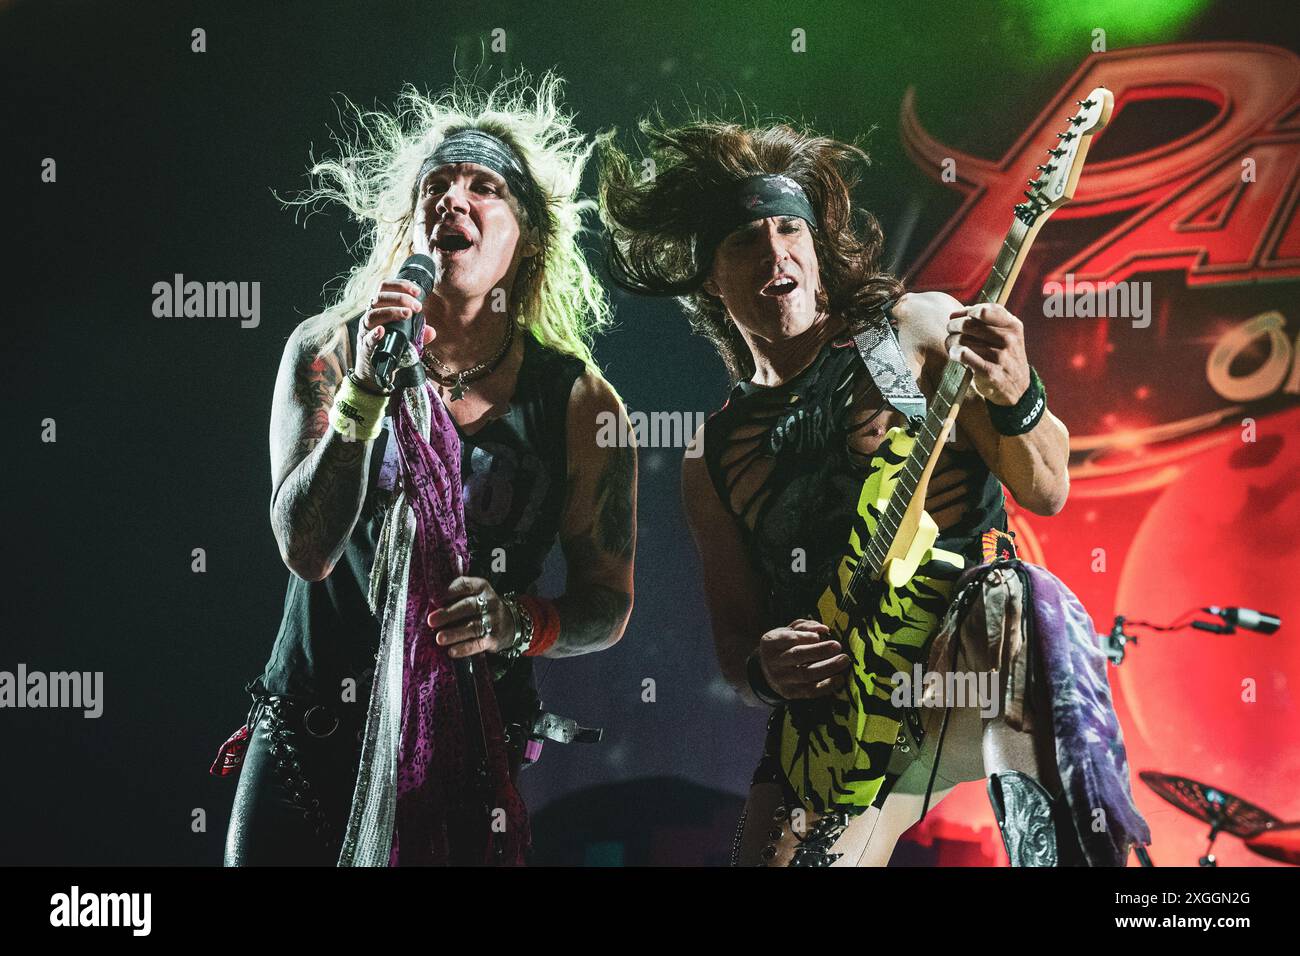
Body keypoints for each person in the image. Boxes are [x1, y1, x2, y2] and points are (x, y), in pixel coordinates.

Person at [598, 116, 1147, 866]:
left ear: (818, 252)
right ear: (709, 280)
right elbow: (735, 640)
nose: (774, 252)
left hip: (963, 653)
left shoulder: (913, 330)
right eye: (743, 243)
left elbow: (1048, 488)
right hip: (843, 712)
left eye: (790, 229)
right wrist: (767, 665)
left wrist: (1016, 387)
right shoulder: (711, 456)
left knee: (1020, 602)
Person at [217, 73, 636, 866]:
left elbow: (606, 603)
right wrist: (368, 392)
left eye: (485, 188)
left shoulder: (579, 402)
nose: (454, 200)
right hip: (313, 734)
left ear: (528, 239)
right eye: (436, 186)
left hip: (465, 752)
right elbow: (307, 550)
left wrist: (517, 622)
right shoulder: (331, 352)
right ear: (409, 226)